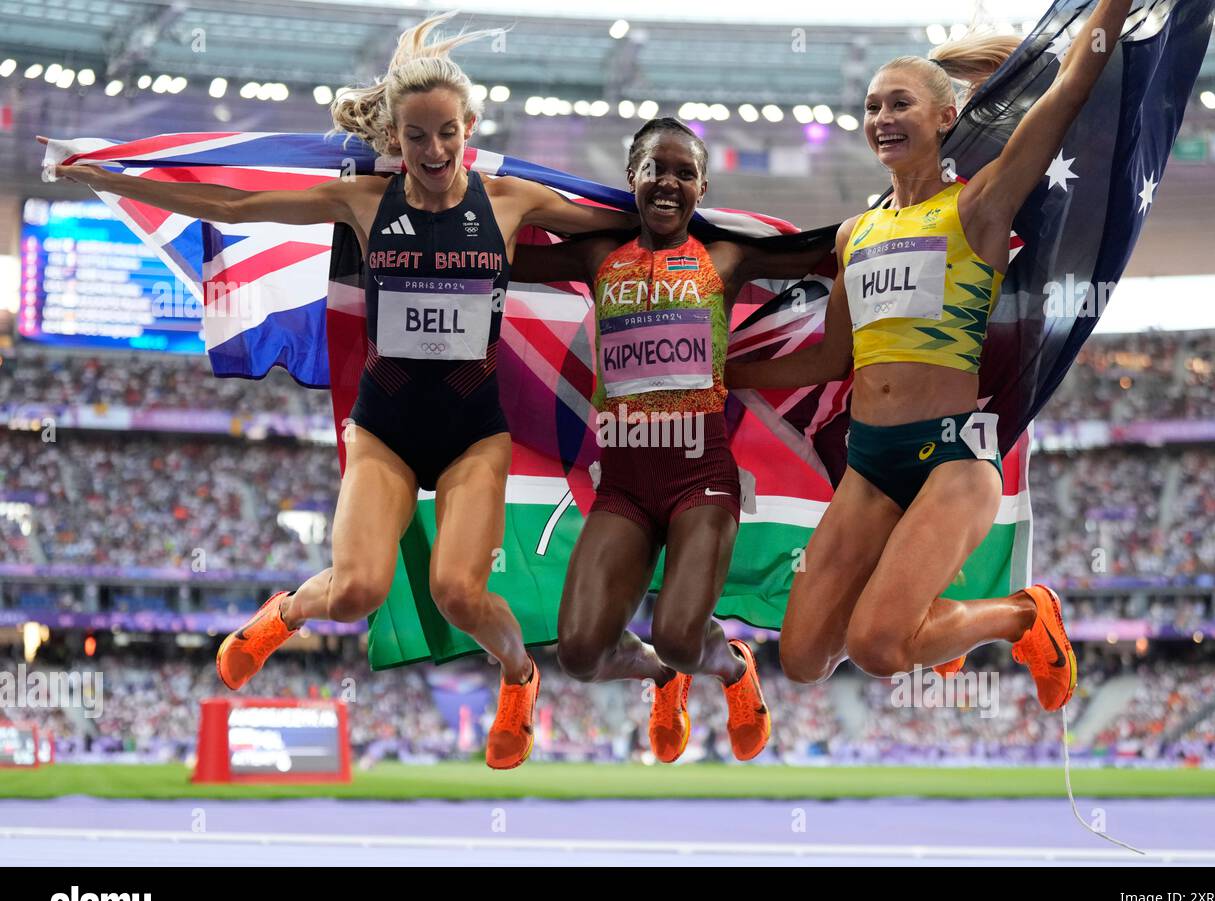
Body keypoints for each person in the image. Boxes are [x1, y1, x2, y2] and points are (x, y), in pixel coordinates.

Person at [41, 13, 636, 769]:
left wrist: (722, 234)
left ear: (470, 126)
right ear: (395, 135)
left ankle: (518, 678)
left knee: (459, 592)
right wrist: (108, 176)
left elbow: (624, 227)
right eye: (416, 136)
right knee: (355, 592)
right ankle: (281, 615)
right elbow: (234, 206)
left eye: (447, 132)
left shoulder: (510, 200)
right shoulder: (362, 201)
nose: (433, 150)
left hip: (473, 431)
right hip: (384, 426)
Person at [726, 0, 1135, 711]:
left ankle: (1025, 614)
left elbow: (1068, 92)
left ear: (946, 118)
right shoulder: (857, 233)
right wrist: (727, 374)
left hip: (950, 459)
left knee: (882, 648)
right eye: (872, 105)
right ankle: (935, 618)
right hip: (870, 463)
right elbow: (830, 363)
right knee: (803, 657)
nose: (882, 117)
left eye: (900, 103)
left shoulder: (978, 207)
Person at [512, 117, 832, 761]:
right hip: (624, 484)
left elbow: (838, 248)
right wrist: (420, 214)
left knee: (684, 636)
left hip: (701, 478)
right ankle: (662, 679)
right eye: (655, 168)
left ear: (702, 186)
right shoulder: (599, 254)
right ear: (631, 178)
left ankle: (734, 669)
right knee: (578, 653)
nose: (668, 182)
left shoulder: (727, 257)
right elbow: (493, 257)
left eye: (684, 172)